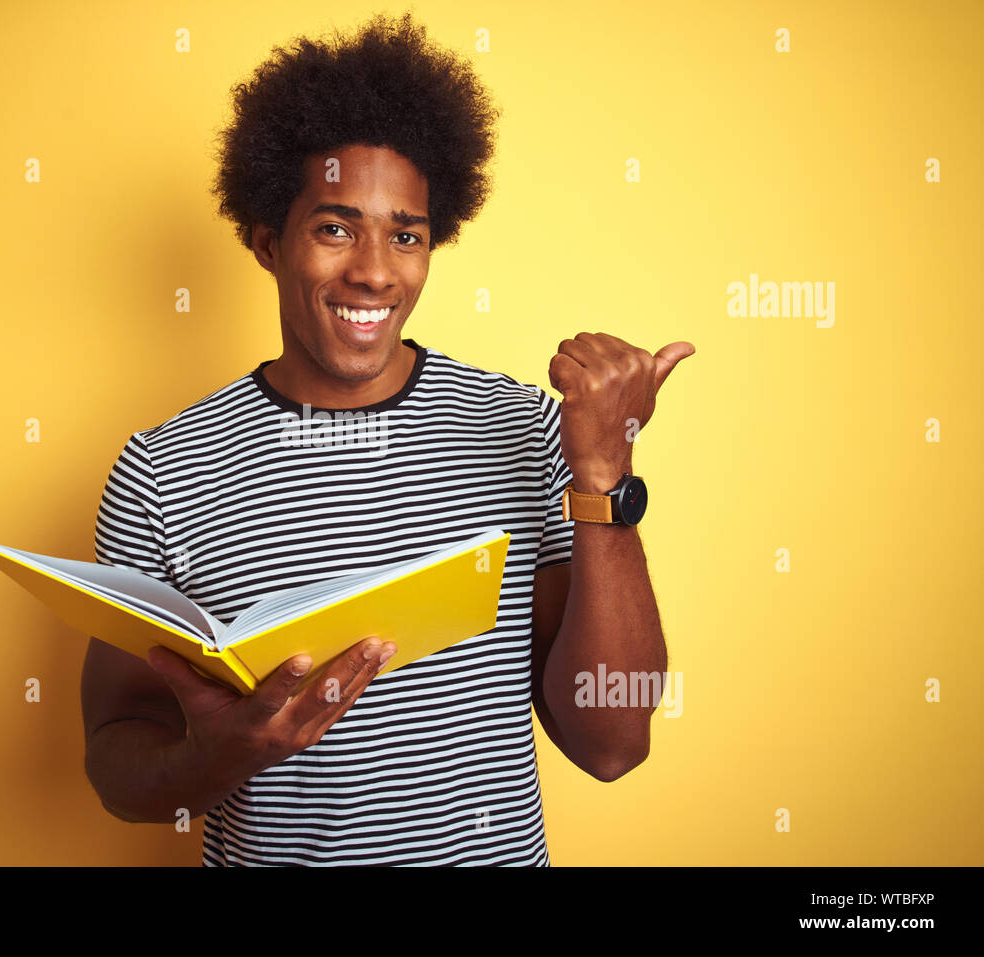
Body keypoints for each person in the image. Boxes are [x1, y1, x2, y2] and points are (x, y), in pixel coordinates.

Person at [80, 12, 691, 866]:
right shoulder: (162, 470)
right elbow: (114, 756)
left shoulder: (522, 429)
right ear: (267, 242)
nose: (374, 269)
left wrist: (603, 477)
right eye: (336, 227)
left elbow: (613, 741)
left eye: (405, 234)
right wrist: (221, 752)